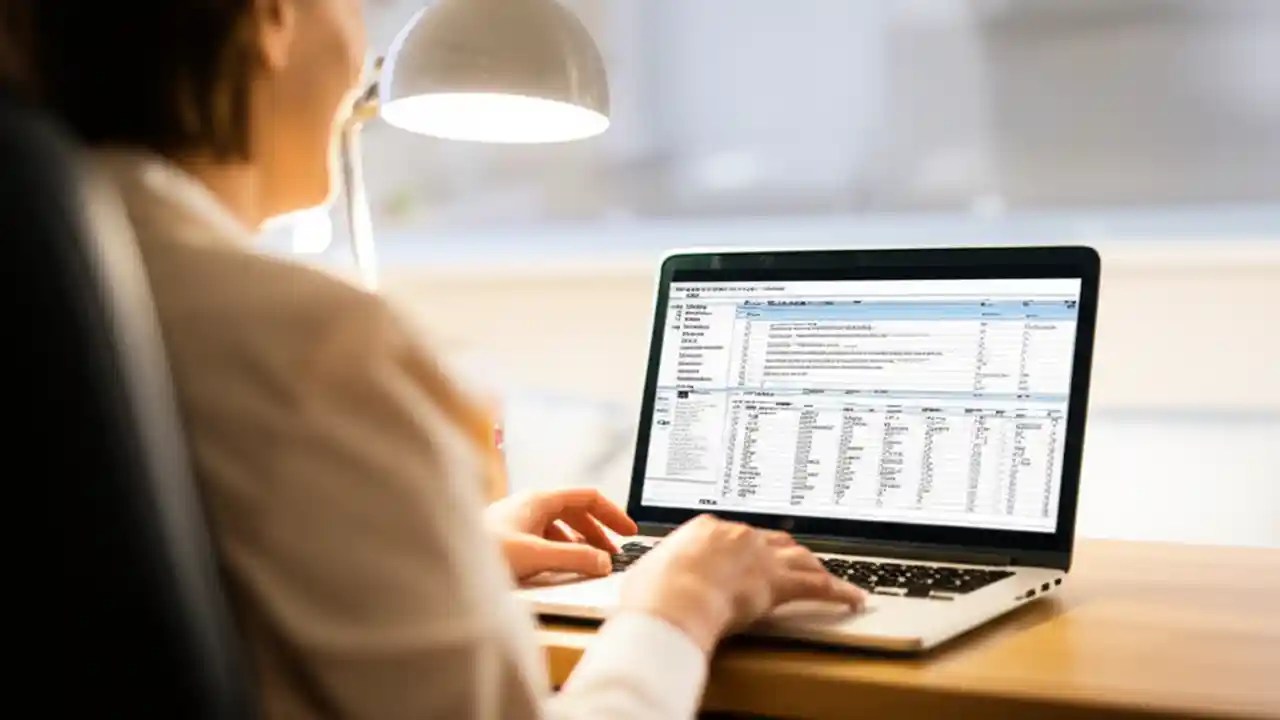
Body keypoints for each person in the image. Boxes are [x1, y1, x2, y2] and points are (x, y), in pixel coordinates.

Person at [24, 2, 865, 718]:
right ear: (271, 18)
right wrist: (680, 606)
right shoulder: (308, 341)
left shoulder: (51, 274)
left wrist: (443, 553)